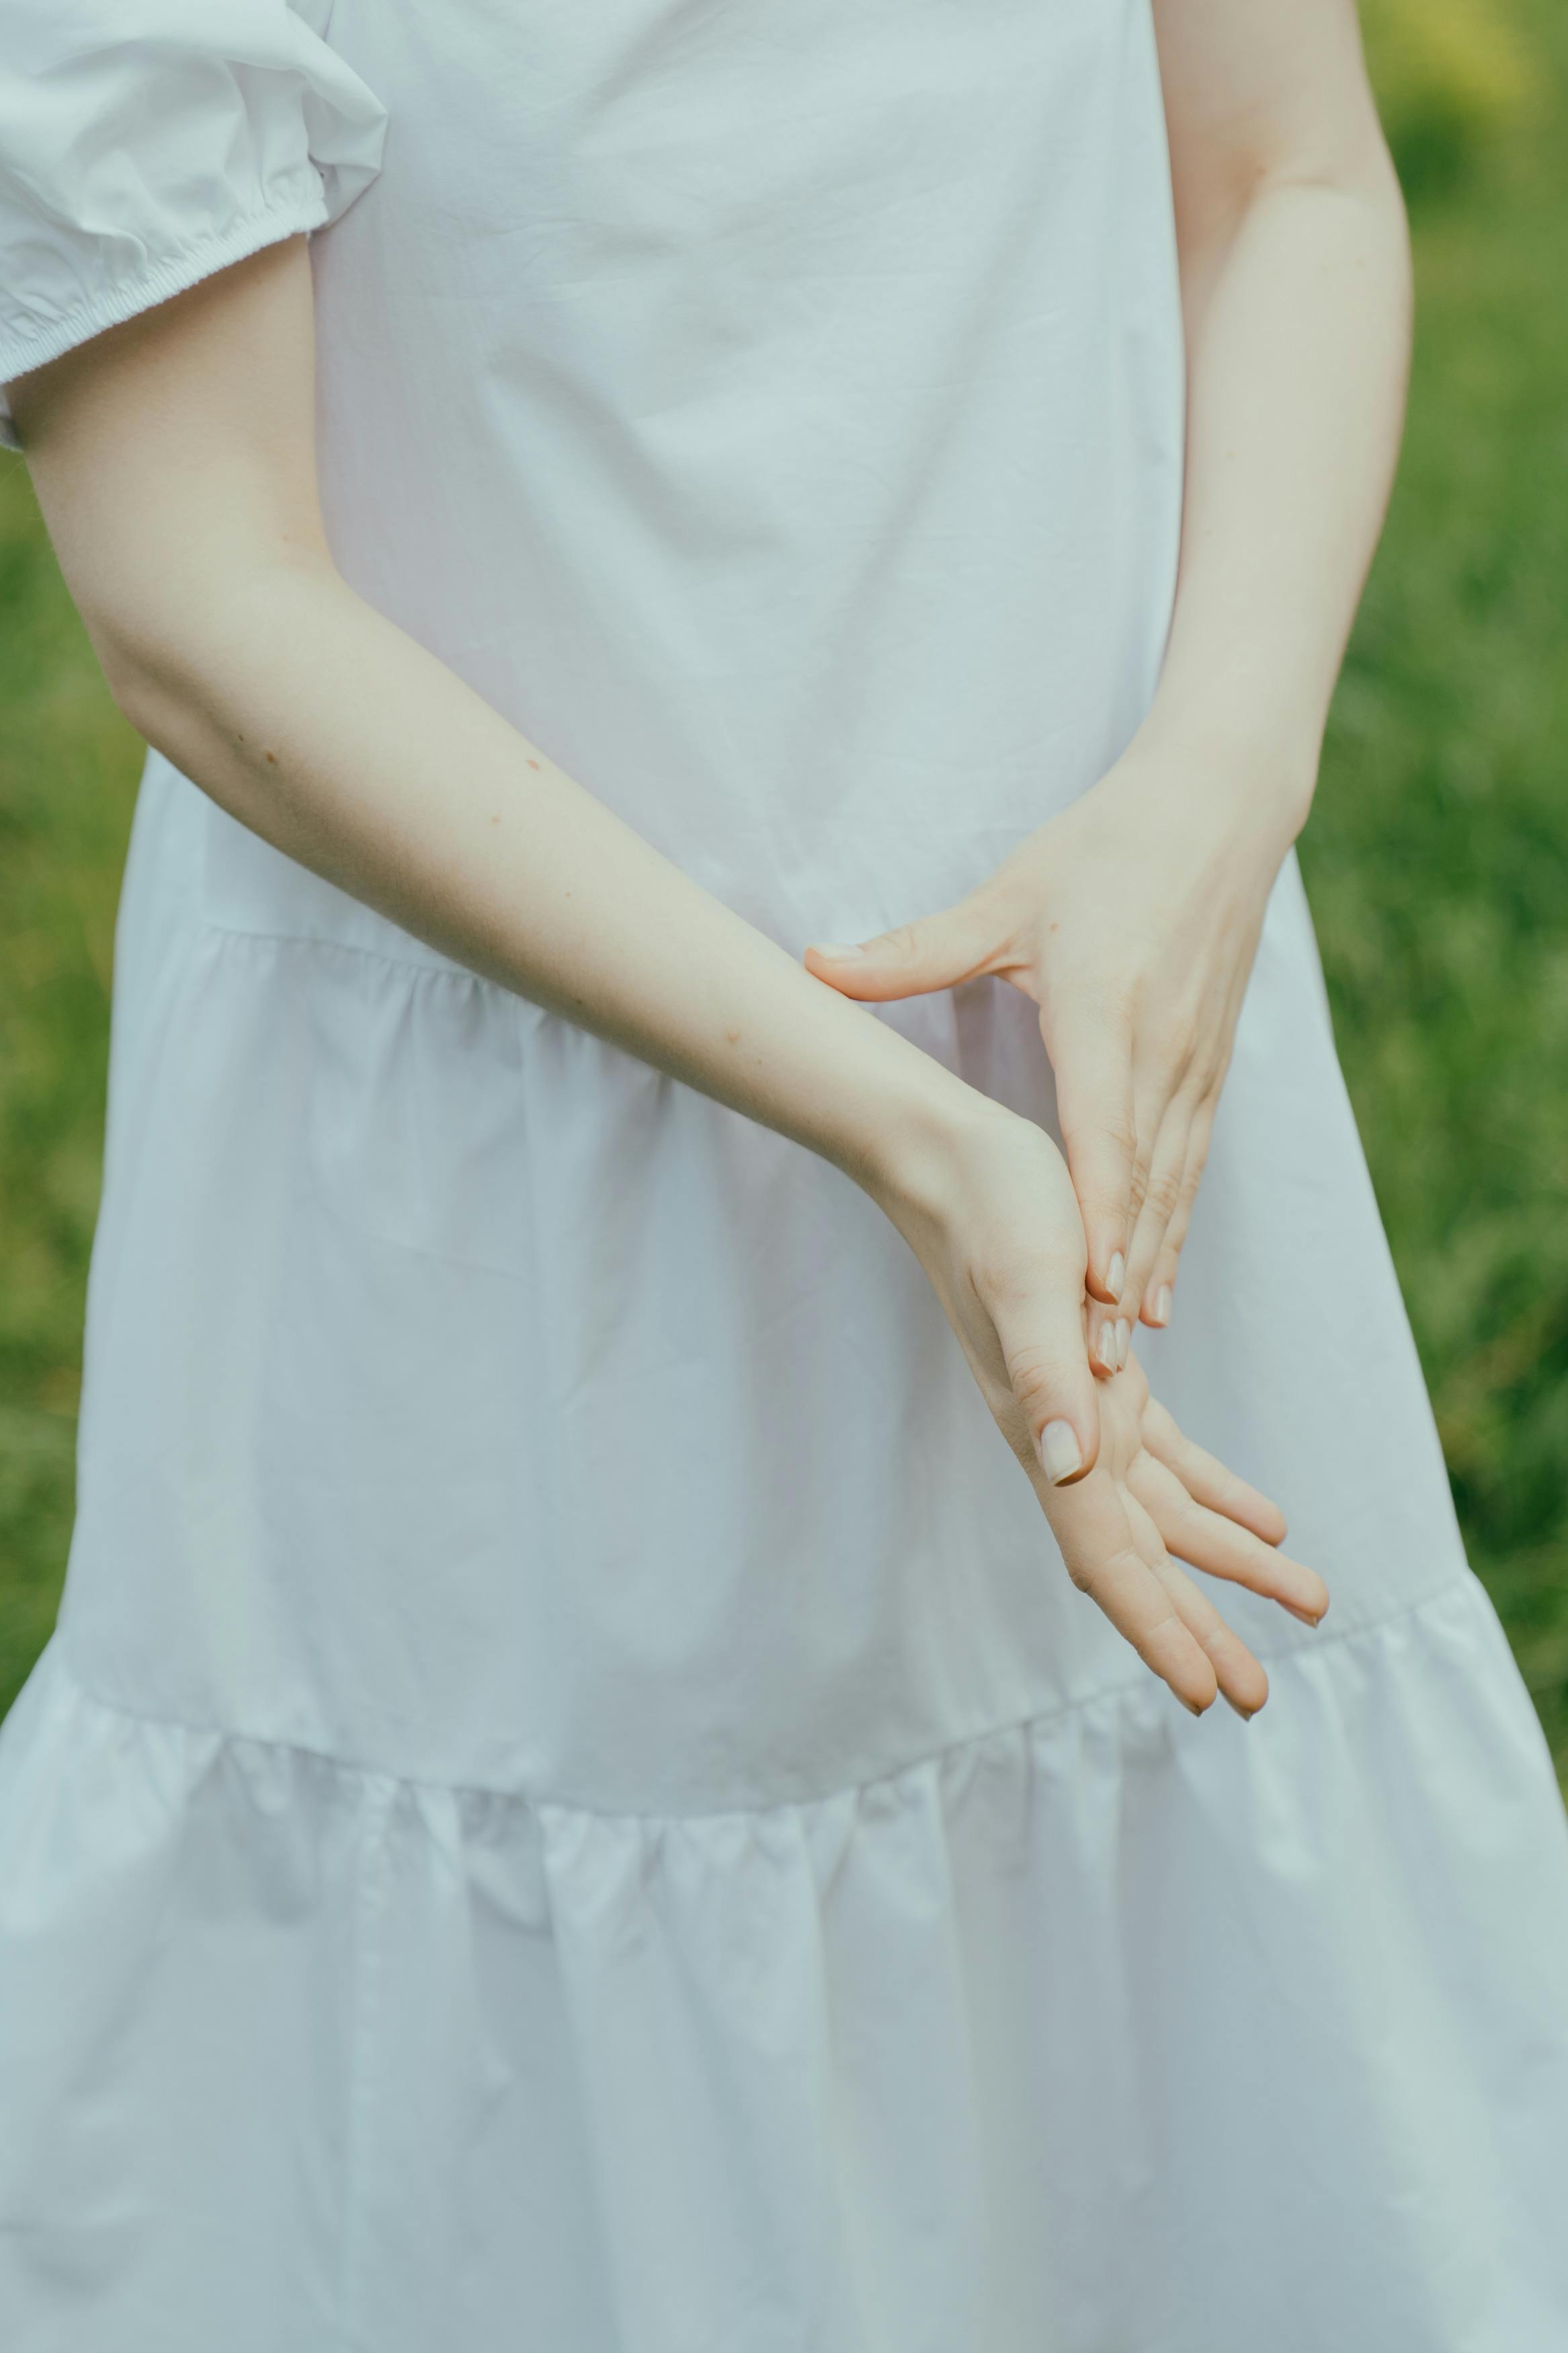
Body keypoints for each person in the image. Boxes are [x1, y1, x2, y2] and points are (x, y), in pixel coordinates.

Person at [0, 1, 1564, 2346]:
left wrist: (1209, 796)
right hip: (515, 1247)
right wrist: (898, 1130)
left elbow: (1288, 183)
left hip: (1103, 1041)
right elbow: (197, 591)